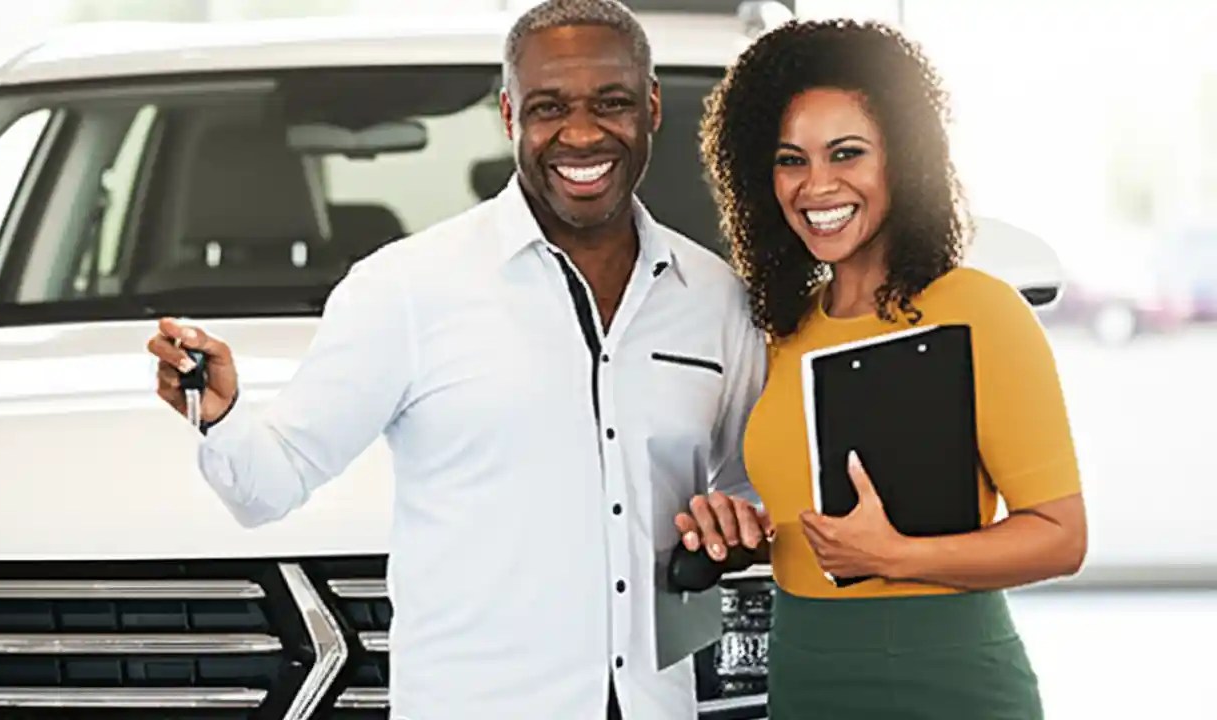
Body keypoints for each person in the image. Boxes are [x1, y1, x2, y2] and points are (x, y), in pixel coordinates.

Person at [146, 1, 769, 718]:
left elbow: (752, 485)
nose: (582, 132)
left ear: (651, 106)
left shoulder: (716, 299)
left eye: (612, 102)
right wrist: (219, 413)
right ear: (509, 114)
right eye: (548, 107)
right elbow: (267, 487)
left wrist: (738, 522)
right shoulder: (405, 290)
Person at [693, 18, 1089, 719]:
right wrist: (744, 526)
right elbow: (802, 510)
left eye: (846, 153)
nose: (817, 185)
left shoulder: (979, 309)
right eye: (791, 160)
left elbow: (1061, 536)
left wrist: (898, 556)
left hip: (947, 673)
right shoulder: (779, 331)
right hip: (805, 669)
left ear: (902, 159)